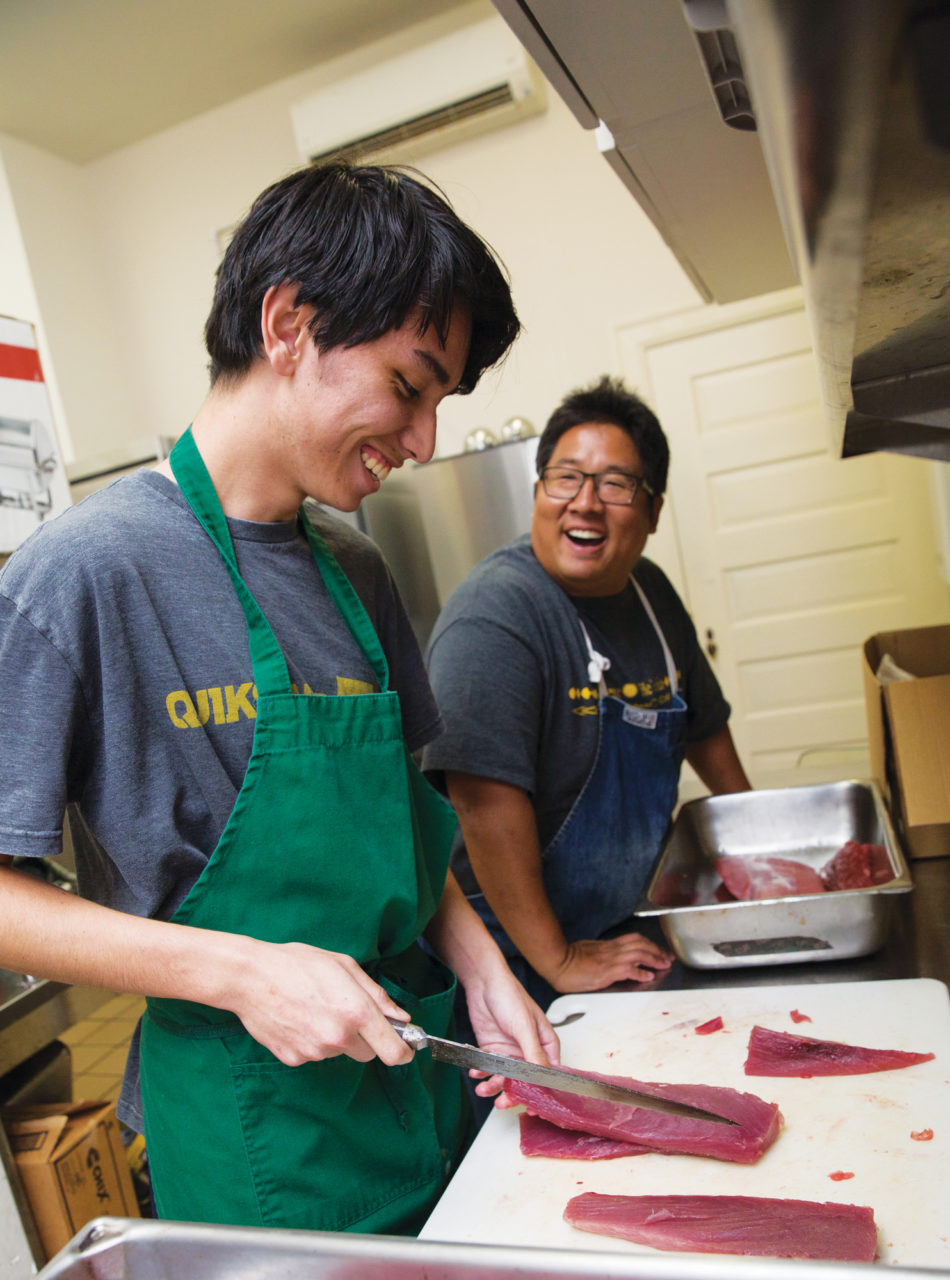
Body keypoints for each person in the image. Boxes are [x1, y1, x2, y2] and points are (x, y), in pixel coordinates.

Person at [0, 162, 558, 1236]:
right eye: (409, 385)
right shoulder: (82, 575)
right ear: (289, 322)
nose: (423, 441)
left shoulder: (358, 571)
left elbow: (402, 827)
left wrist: (484, 969)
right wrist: (242, 972)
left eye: (439, 404)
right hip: (249, 1138)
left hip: (419, 1090)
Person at [422, 375, 752, 1014]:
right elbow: (484, 807)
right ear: (538, 492)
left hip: (617, 925)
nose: (585, 503)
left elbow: (706, 730)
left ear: (653, 511)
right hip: (508, 959)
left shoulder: (651, 593)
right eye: (565, 478)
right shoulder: (495, 616)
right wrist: (560, 959)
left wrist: (758, 851)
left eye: (616, 484)